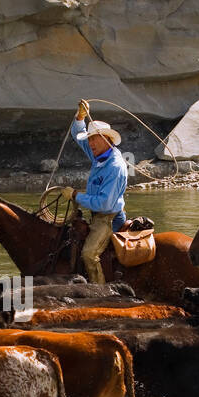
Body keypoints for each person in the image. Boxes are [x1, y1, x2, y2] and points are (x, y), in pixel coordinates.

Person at [69, 99, 128, 284]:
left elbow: (105, 204)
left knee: (88, 254)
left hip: (108, 218)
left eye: (94, 138)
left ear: (106, 140)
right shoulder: (99, 154)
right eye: (90, 139)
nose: (90, 143)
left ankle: (100, 292)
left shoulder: (115, 166)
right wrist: (80, 116)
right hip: (97, 215)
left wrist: (75, 196)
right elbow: (77, 132)